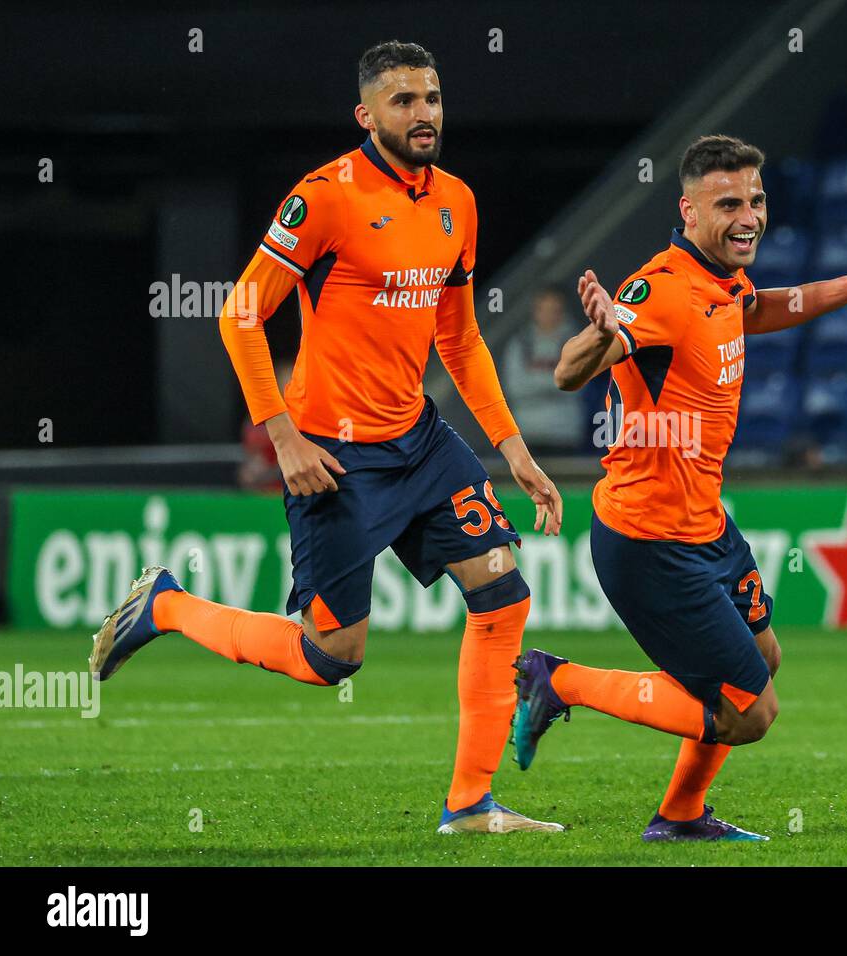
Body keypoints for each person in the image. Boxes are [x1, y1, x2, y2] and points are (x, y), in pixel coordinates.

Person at [89, 41, 566, 835]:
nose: (423, 114)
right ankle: (166, 607)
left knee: (502, 591)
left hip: (420, 438)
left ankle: (471, 807)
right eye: (404, 100)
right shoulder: (327, 198)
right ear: (366, 114)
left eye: (433, 98)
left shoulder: (458, 202)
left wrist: (512, 448)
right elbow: (239, 310)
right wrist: (280, 438)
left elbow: (461, 339)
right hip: (333, 457)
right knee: (329, 658)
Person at [510, 135, 847, 841]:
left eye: (757, 200)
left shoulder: (723, 280)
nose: (749, 216)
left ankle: (680, 816)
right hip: (648, 542)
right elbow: (570, 370)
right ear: (689, 210)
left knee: (764, 659)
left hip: (704, 524)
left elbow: (756, 309)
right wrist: (603, 331)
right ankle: (558, 681)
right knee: (750, 712)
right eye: (729, 203)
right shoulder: (661, 291)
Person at [501, 285, 584, 454]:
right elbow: (515, 388)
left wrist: (534, 382)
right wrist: (557, 382)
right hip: (526, 434)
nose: (549, 316)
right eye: (544, 309)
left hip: (566, 434)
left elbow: (578, 386)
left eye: (555, 310)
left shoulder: (578, 342)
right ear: (535, 310)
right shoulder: (519, 343)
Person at [237, 360, 293, 492]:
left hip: (299, 493)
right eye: (286, 382)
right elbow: (251, 472)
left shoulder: (311, 420)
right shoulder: (260, 422)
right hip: (265, 494)